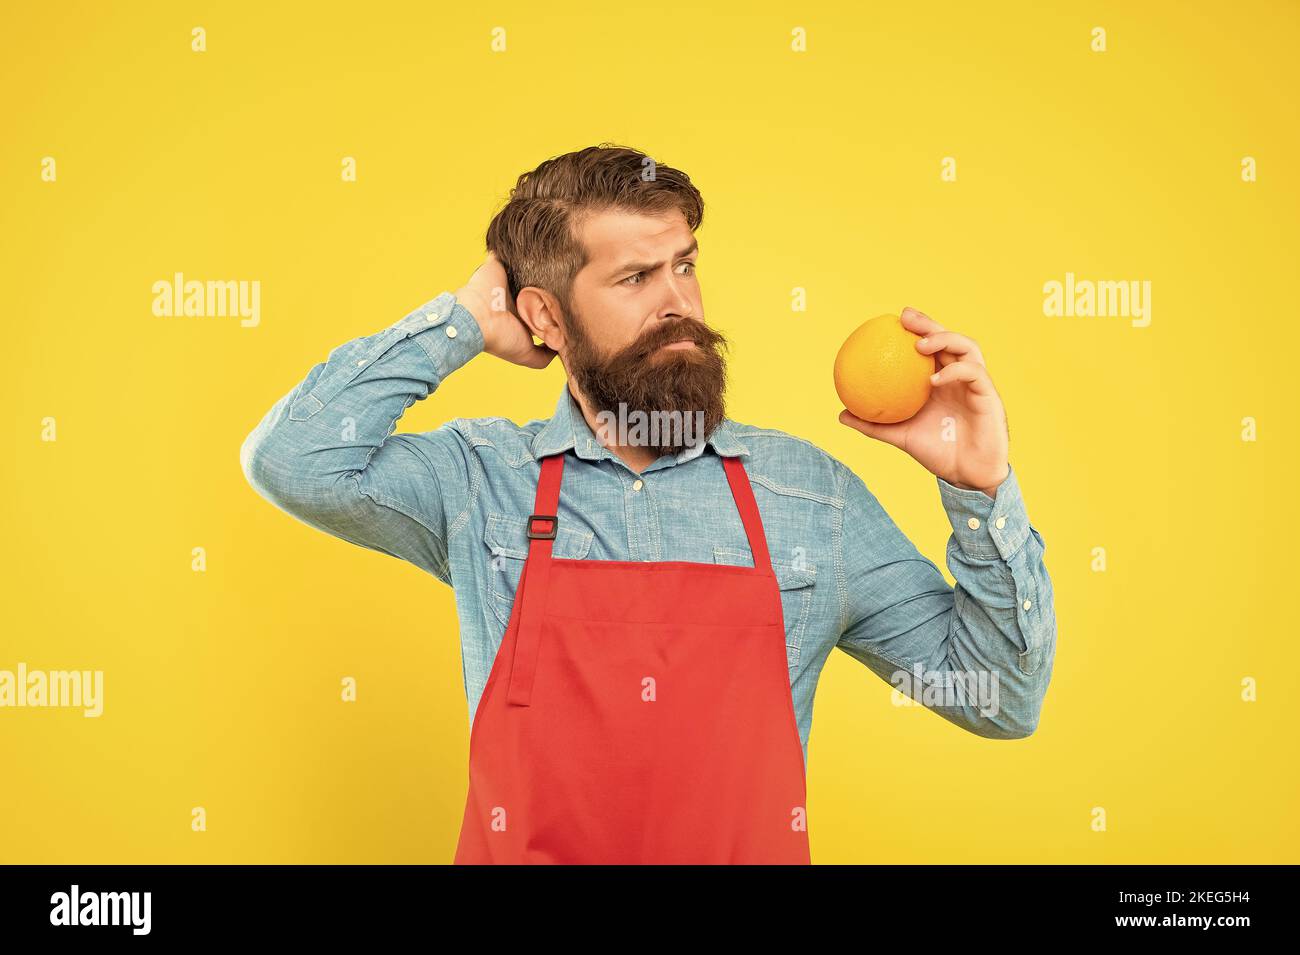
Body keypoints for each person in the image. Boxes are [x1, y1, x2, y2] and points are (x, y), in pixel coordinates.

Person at [239, 143, 1057, 864]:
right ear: (545, 316)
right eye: (636, 276)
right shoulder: (480, 480)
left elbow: (999, 699)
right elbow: (295, 460)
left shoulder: (807, 498)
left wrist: (979, 488)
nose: (680, 304)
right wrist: (463, 319)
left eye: (685, 265)